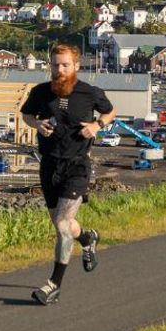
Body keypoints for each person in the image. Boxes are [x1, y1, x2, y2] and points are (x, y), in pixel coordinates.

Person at [19, 43, 116, 305]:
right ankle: (88, 238)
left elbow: (110, 112)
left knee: (62, 225)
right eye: (55, 65)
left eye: (65, 65)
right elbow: (26, 115)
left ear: (76, 66)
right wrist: (37, 124)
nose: (60, 70)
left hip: (77, 166)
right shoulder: (41, 92)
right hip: (49, 165)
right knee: (62, 224)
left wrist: (97, 125)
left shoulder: (89, 92)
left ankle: (54, 285)